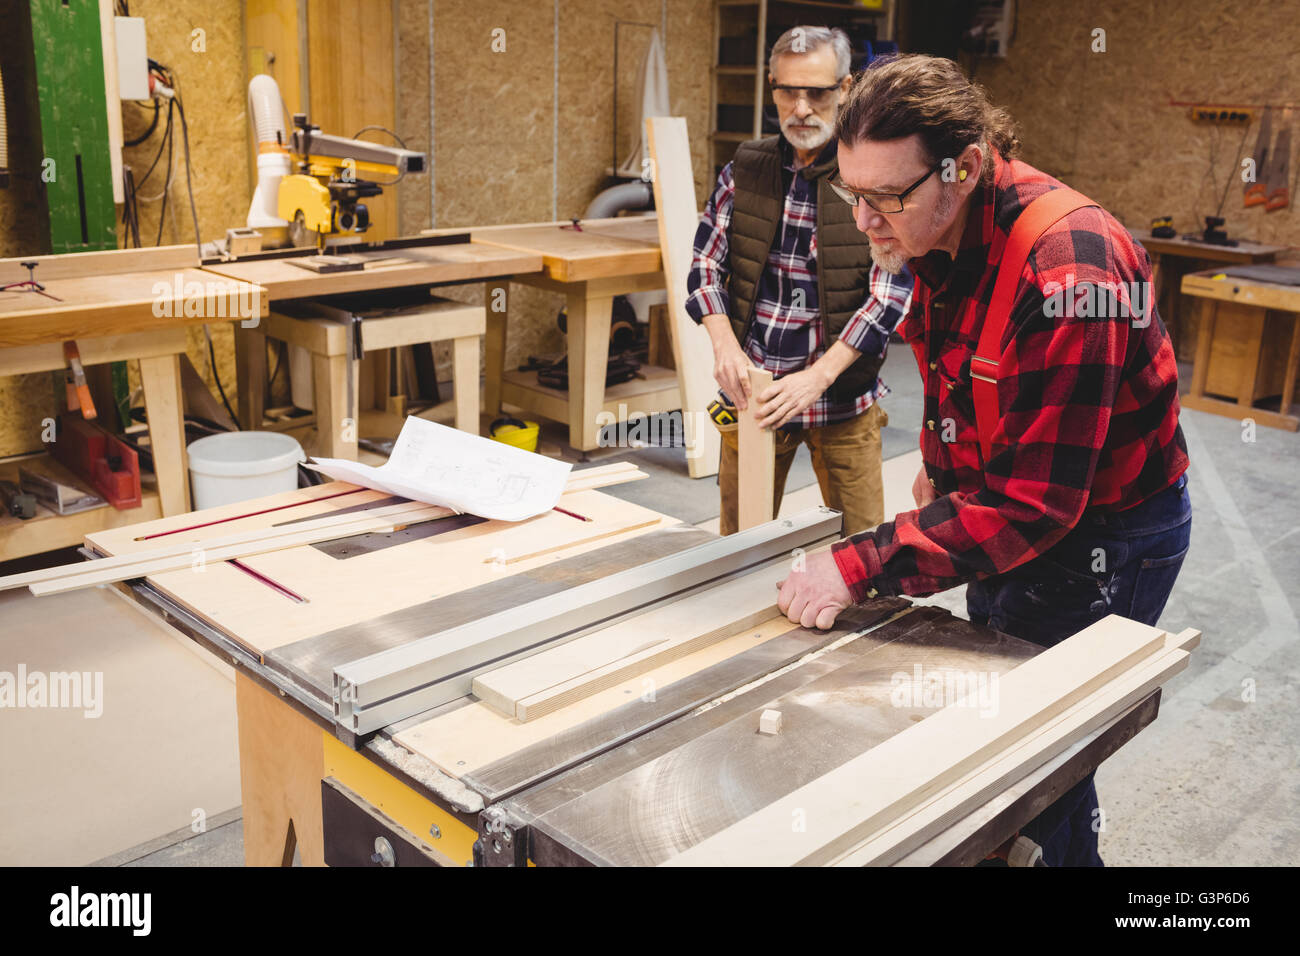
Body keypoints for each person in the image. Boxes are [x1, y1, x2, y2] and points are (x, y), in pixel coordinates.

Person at [776, 53, 1192, 867]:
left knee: (1031, 773)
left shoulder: (1074, 269)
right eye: (850, 194)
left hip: (1103, 539)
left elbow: (1037, 506)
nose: (863, 221)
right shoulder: (930, 230)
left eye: (884, 197)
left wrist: (859, 566)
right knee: (1003, 745)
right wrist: (943, 466)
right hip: (1007, 504)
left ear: (963, 167)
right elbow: (968, 373)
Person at [686, 26, 913, 536]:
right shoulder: (746, 170)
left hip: (841, 397)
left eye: (818, 91)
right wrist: (725, 349)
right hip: (756, 396)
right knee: (737, 550)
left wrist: (818, 378)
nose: (802, 107)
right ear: (772, 86)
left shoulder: (871, 175)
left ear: (846, 88)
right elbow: (705, 267)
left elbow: (889, 295)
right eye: (788, 90)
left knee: (863, 552)